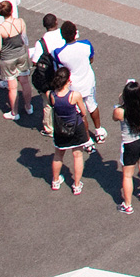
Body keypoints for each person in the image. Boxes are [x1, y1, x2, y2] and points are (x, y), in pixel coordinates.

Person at [55, 20, 104, 139]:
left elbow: (61, 70)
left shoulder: (59, 53)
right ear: (75, 33)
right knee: (92, 106)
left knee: (80, 114)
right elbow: (91, 60)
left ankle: (87, 140)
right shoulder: (86, 45)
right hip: (88, 82)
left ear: (62, 35)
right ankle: (99, 131)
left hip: (74, 87)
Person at [48, 66, 92, 195]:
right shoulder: (74, 95)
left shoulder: (51, 95)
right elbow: (83, 112)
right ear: (68, 80)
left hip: (60, 128)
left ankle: (55, 181)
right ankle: (77, 184)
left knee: (58, 154)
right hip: (75, 127)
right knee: (77, 155)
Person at [115, 79, 140, 213]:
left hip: (130, 143)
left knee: (127, 175)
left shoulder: (120, 112)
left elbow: (115, 116)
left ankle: (127, 205)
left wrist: (121, 100)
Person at [0, 0, 28, 118]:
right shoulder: (21, 22)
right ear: (11, 10)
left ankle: (14, 113)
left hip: (8, 58)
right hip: (22, 55)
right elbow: (24, 39)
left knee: (12, 87)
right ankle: (28, 106)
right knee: (25, 82)